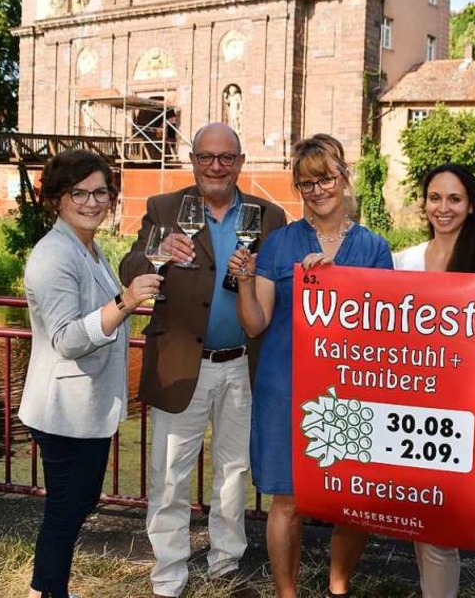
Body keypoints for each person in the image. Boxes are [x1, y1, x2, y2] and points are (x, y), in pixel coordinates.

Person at [119, 123, 286, 598]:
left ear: (240, 161)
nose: (216, 166)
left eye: (226, 157)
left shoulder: (267, 215)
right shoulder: (164, 209)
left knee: (234, 471)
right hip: (180, 362)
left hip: (244, 364)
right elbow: (128, 267)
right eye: (207, 157)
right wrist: (156, 254)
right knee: (170, 474)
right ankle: (168, 575)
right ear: (191, 159)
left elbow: (285, 278)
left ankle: (225, 566)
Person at [230, 134, 393, 598]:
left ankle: (337, 586)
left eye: (325, 178)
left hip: (353, 390)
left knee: (354, 501)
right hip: (285, 386)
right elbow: (256, 323)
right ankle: (287, 594)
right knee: (288, 501)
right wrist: (243, 284)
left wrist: (337, 282)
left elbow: (383, 330)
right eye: (307, 183)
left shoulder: (375, 249)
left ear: (343, 176)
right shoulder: (279, 244)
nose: (318, 190)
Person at [18, 150, 163, 598]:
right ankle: (49, 592)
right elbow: (66, 338)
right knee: (67, 509)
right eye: (78, 193)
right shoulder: (53, 256)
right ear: (56, 199)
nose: (91, 201)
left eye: (101, 192)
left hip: (85, 408)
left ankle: (45, 587)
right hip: (63, 408)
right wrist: (125, 303)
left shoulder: (88, 246)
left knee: (76, 505)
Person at [393, 163, 475, 598]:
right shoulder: (402, 263)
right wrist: (321, 271)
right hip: (408, 409)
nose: (444, 207)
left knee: (437, 525)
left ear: (471, 205)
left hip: (464, 410)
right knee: (421, 520)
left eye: (454, 199)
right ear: (424, 204)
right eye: (435, 198)